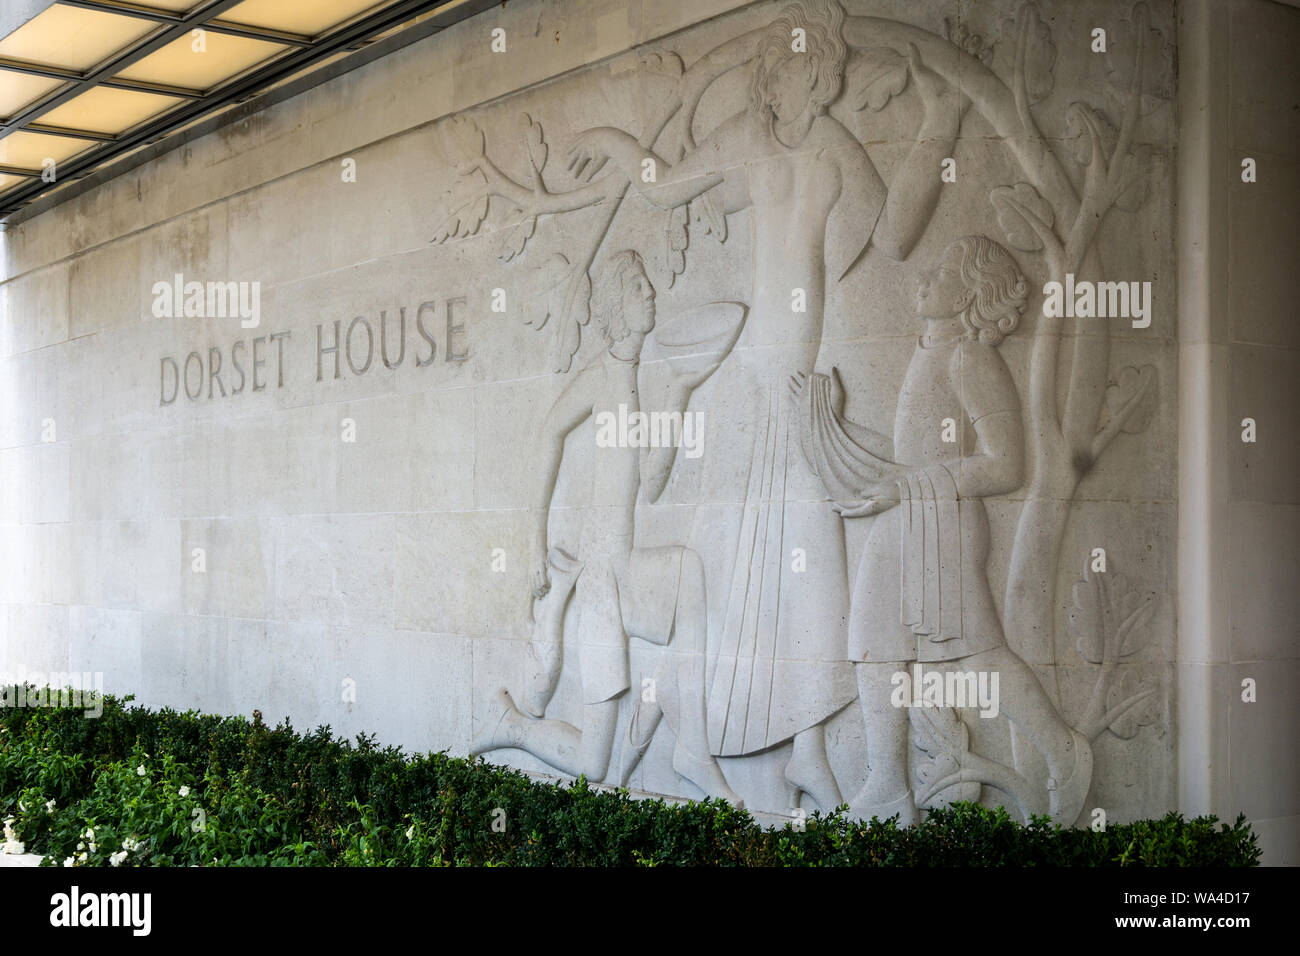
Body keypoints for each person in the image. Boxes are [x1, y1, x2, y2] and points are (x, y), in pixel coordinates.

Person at [564, 0, 966, 809]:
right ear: (775, 74)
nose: (804, 87)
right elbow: (665, 188)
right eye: (792, 70)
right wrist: (614, 144)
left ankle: (809, 747)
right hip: (752, 380)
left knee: (812, 571)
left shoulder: (837, 148)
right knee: (723, 572)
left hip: (802, 386)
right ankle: (692, 737)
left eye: (817, 74)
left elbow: (891, 234)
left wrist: (940, 126)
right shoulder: (749, 140)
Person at [793, 235, 1093, 824]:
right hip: (911, 519)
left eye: (946, 267)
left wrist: (901, 486)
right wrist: (834, 430)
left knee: (976, 653)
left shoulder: (970, 359)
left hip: (942, 528)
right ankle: (886, 785)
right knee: (874, 648)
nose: (927, 274)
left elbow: (1007, 463)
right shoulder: (932, 350)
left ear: (972, 297)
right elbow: (915, 453)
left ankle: (1063, 749)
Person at [473, 250, 742, 806]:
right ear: (618, 305)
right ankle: (514, 724)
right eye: (640, 287)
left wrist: (679, 394)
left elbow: (652, 482)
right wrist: (532, 545)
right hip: (599, 579)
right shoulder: (600, 377)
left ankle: (690, 742)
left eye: (650, 284)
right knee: (593, 762)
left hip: (628, 570)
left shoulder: (643, 381)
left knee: (688, 573)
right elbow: (547, 436)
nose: (652, 294)